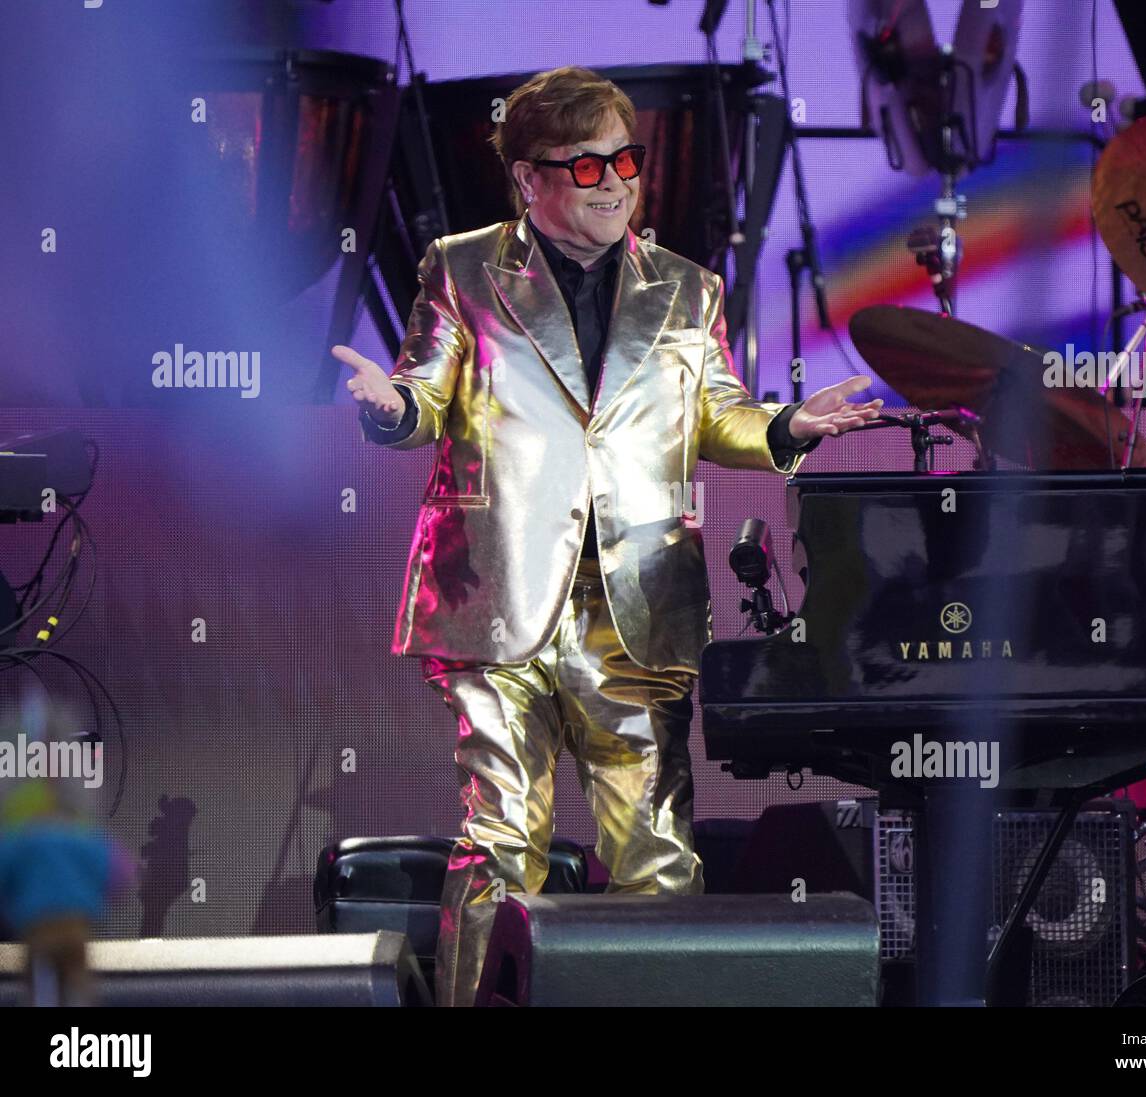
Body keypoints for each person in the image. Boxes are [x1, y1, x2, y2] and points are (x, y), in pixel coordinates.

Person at [334, 65, 882, 1006]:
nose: (615, 182)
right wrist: (392, 409)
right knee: (501, 840)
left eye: (625, 160)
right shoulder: (462, 269)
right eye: (586, 166)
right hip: (496, 596)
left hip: (638, 604)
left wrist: (788, 424)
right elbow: (423, 393)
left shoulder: (687, 288)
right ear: (529, 178)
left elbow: (719, 414)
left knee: (658, 853)